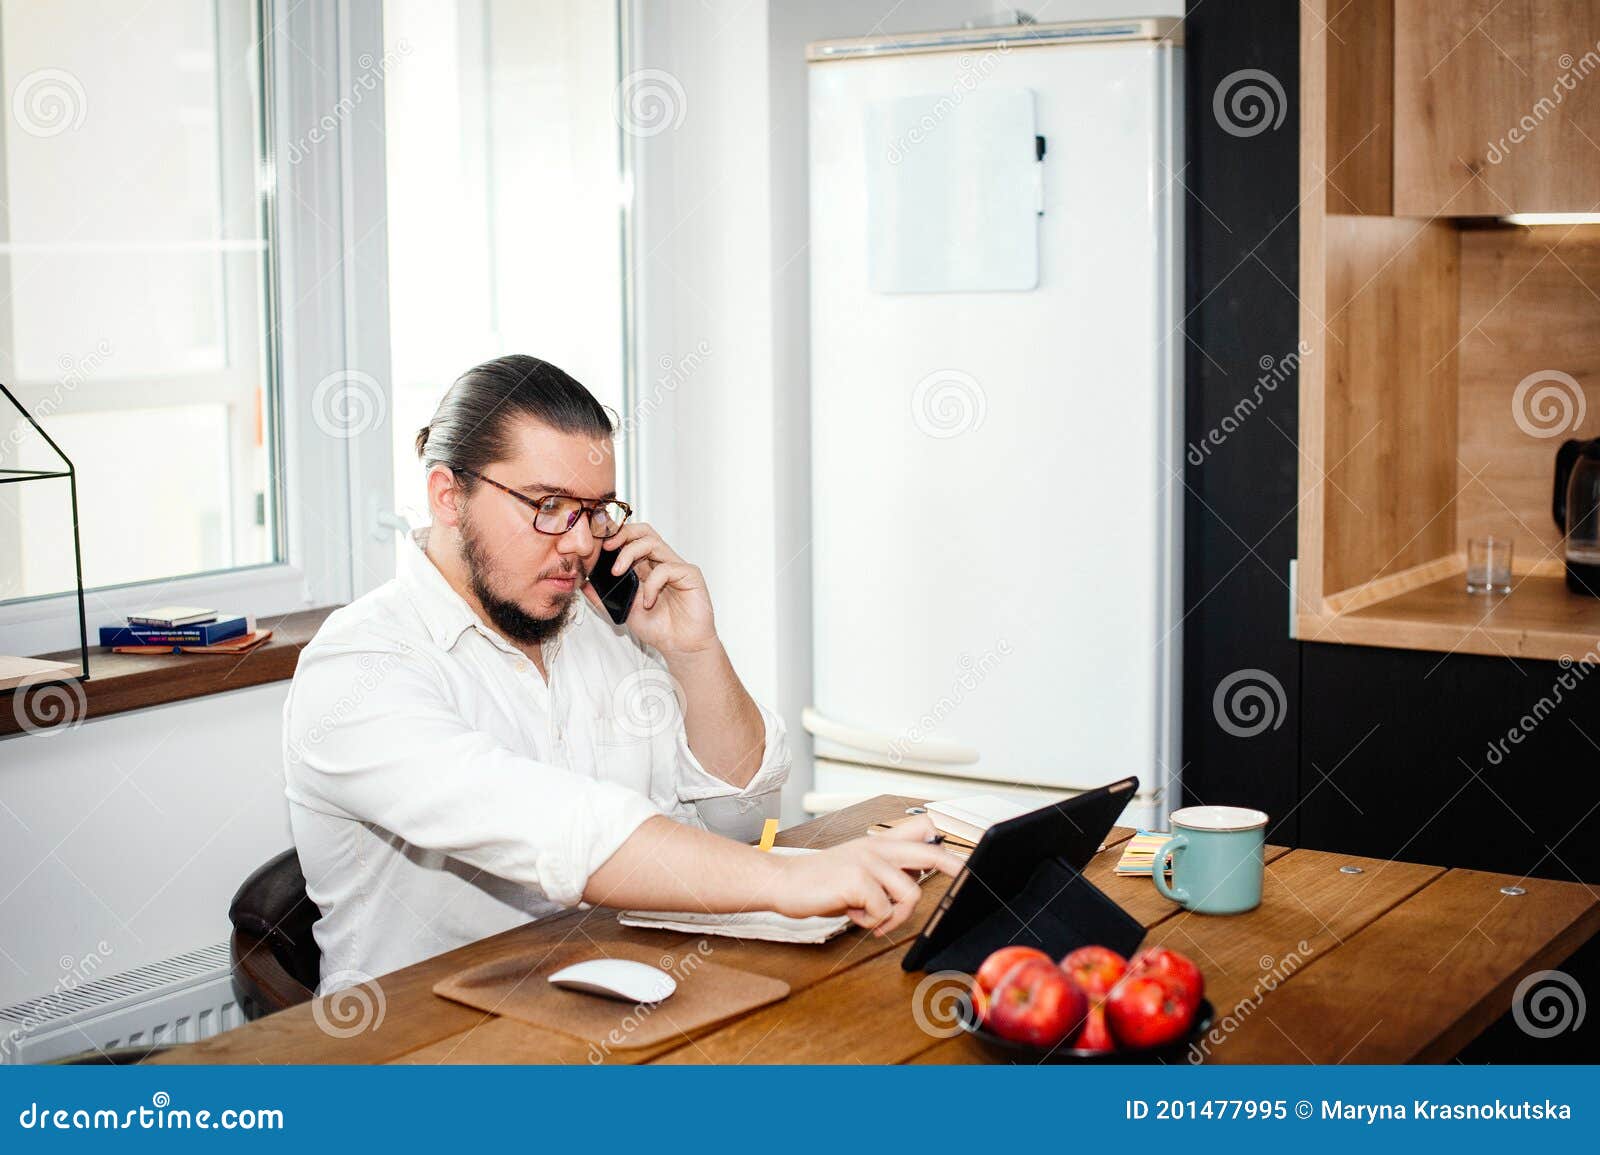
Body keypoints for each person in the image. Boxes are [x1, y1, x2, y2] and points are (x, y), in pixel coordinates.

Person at [282, 355, 961, 988]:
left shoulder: (601, 633)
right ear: (447, 496)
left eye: (594, 509)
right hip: (424, 1048)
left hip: (620, 998)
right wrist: (790, 880)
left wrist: (695, 652)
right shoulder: (357, 667)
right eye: (548, 505)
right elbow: (560, 826)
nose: (581, 542)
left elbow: (736, 824)